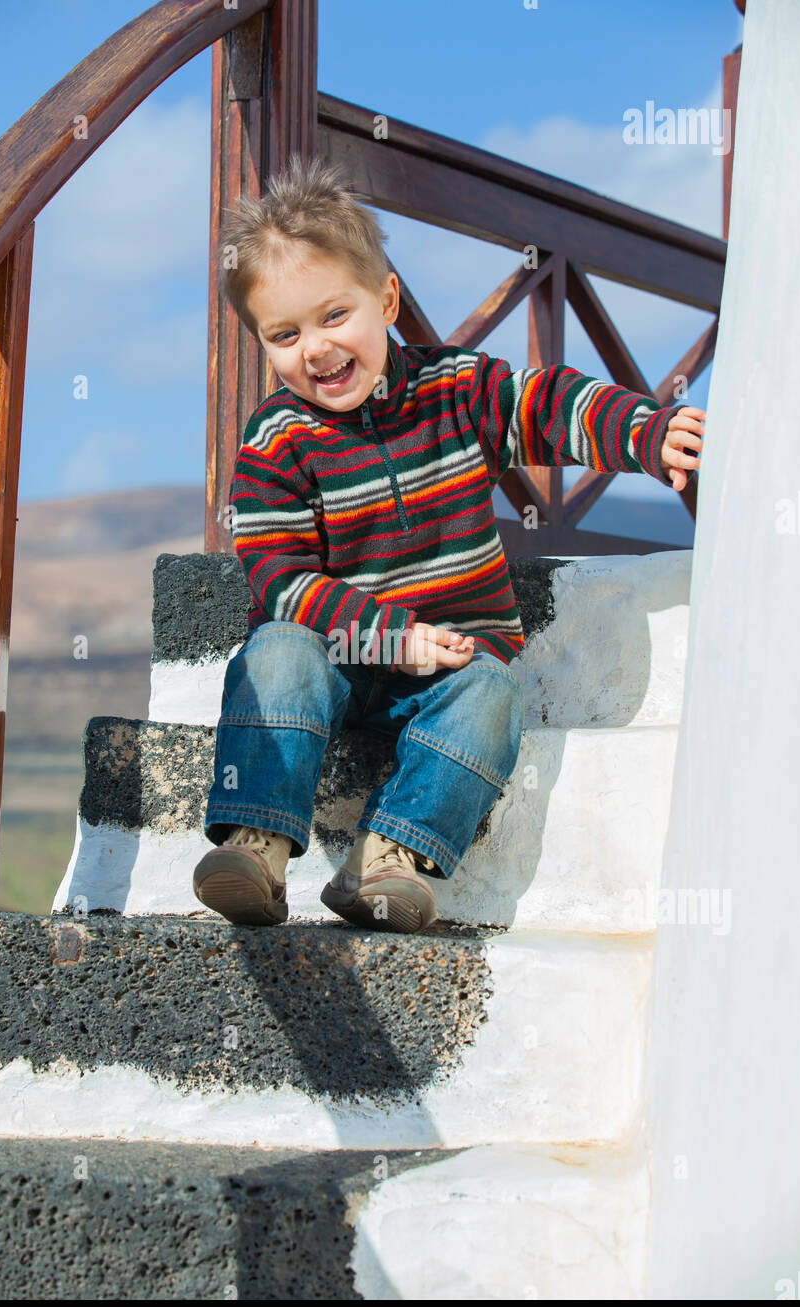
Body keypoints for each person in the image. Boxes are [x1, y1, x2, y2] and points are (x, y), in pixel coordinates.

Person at [192, 154, 705, 933]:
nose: (317, 349)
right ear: (263, 342)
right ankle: (256, 842)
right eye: (285, 334)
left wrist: (649, 433)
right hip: (341, 653)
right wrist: (387, 637)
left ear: (386, 299)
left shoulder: (457, 390)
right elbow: (279, 577)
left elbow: (554, 406)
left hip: (456, 659)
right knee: (273, 654)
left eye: (335, 316)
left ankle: (390, 856)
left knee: (495, 696)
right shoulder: (276, 440)